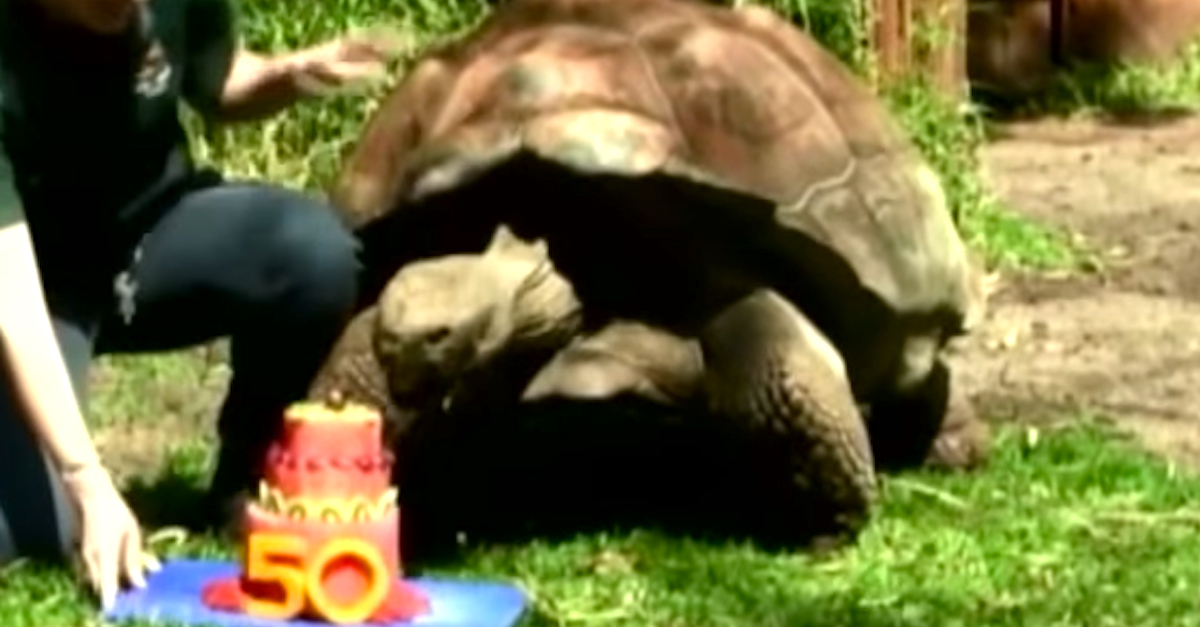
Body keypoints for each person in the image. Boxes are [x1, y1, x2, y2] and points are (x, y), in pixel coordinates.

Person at [0, 0, 403, 611]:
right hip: (35, 277)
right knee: (31, 529)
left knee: (311, 254)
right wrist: (85, 478)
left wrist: (286, 74)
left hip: (151, 237)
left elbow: (218, 81)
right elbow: (10, 291)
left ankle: (245, 476)